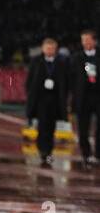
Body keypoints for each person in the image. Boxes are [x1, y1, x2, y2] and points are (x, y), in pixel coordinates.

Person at [26, 37, 70, 167]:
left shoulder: (61, 62)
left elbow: (65, 82)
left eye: (52, 48)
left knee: (51, 127)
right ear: (43, 48)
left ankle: (49, 151)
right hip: (40, 100)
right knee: (42, 126)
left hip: (55, 99)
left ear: (55, 49)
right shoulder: (36, 61)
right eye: (47, 48)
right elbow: (29, 81)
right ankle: (42, 151)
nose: (49, 50)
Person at [70, 29, 99, 167]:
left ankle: (98, 155)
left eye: (88, 40)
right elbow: (71, 79)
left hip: (98, 95)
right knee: (83, 128)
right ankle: (86, 155)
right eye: (83, 40)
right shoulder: (76, 57)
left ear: (94, 41)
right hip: (83, 98)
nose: (85, 43)